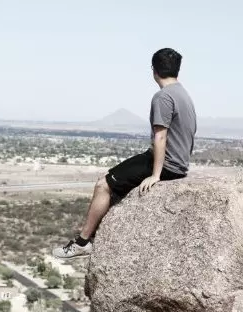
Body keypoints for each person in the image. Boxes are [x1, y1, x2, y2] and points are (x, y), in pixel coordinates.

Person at [53, 48, 197, 259]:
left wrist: (156, 175)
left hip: (166, 165)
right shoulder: (183, 94)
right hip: (180, 164)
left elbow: (160, 137)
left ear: (154, 70)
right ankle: (99, 232)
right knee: (119, 186)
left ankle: (82, 242)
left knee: (103, 185)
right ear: (177, 70)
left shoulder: (163, 97)